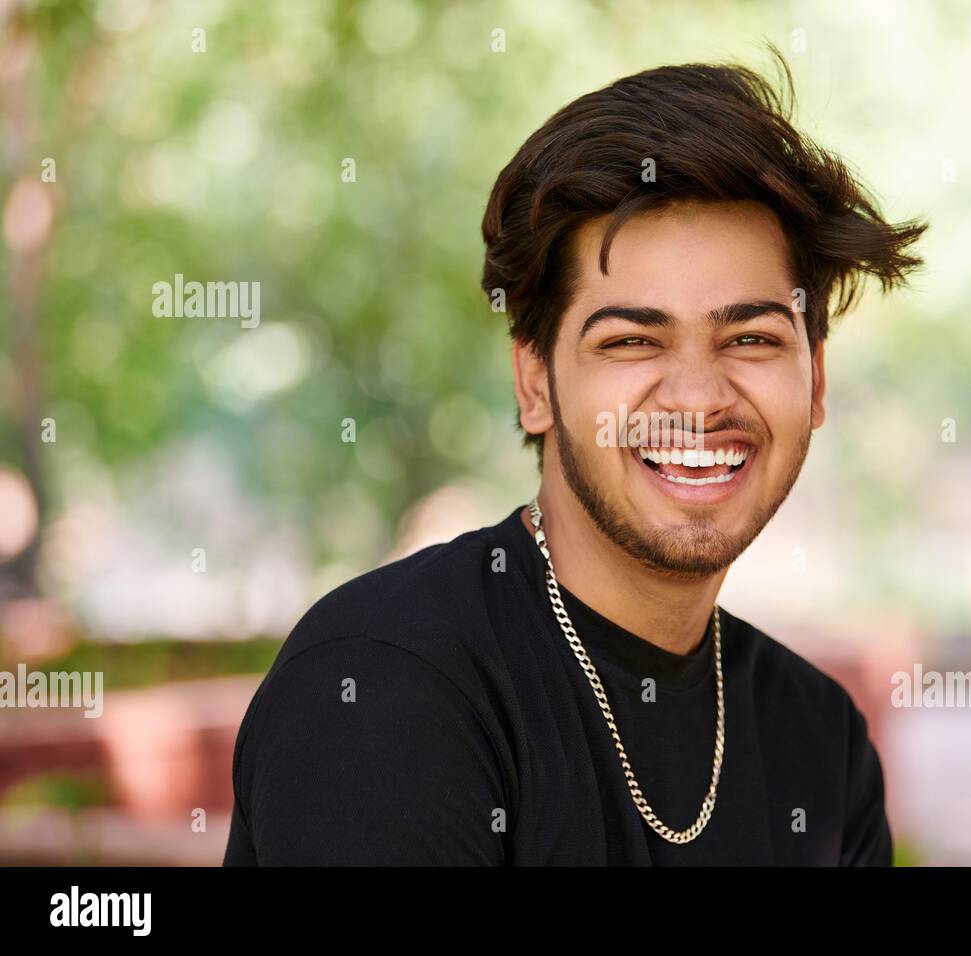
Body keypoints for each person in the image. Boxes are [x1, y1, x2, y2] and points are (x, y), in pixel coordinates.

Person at [223, 46, 925, 866]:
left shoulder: (819, 742)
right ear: (536, 383)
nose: (697, 400)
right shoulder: (386, 685)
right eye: (631, 340)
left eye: (752, 337)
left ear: (814, 381)